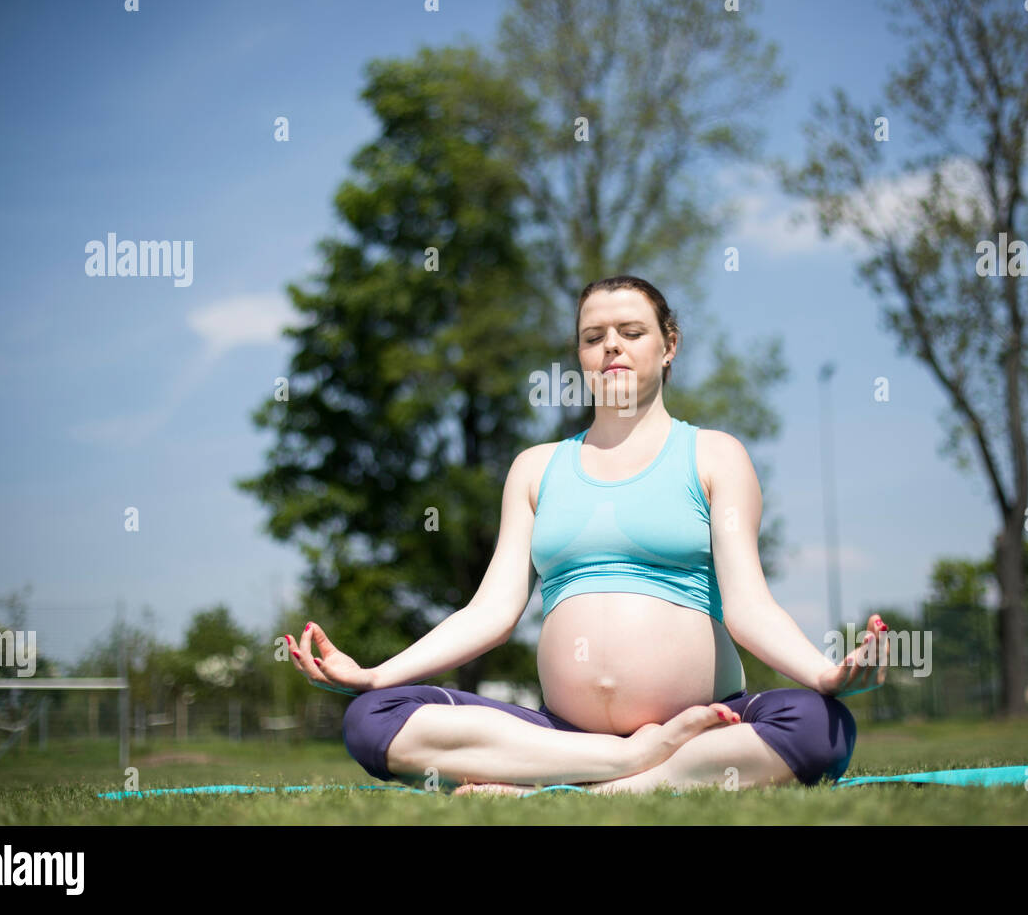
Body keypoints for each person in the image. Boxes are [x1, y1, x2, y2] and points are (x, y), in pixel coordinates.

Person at [284, 275, 889, 795]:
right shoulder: (536, 467)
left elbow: (749, 607)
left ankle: (601, 793)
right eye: (593, 338)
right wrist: (375, 675)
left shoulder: (713, 456)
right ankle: (623, 765)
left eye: (631, 332)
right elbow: (490, 612)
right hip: (561, 735)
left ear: (669, 344)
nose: (612, 349)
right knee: (372, 718)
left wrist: (824, 673)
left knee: (818, 725)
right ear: (579, 353)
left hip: (702, 724)